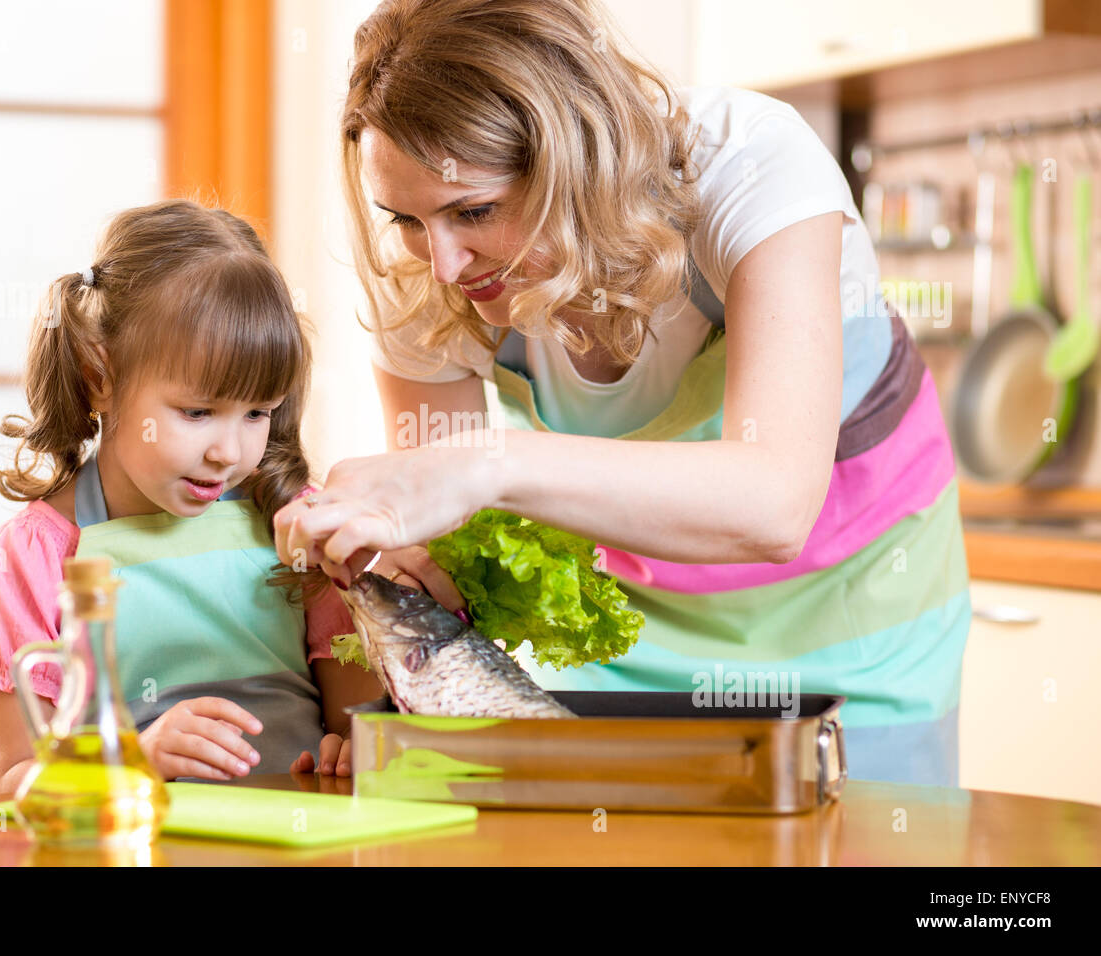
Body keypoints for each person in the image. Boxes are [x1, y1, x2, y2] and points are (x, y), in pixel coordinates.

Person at [274, 0, 971, 786]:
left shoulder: (750, 168)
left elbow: (775, 502)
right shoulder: (428, 276)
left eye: (475, 210)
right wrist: (386, 577)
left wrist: (487, 464)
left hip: (852, 624)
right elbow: (446, 560)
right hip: (625, 642)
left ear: (574, 156)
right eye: (404, 218)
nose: (441, 264)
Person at [0, 199, 386, 793]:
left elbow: (359, 730)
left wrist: (351, 752)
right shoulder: (31, 557)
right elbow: (13, 779)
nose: (228, 452)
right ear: (99, 377)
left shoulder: (292, 521)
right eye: (197, 411)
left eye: (257, 412)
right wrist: (131, 758)